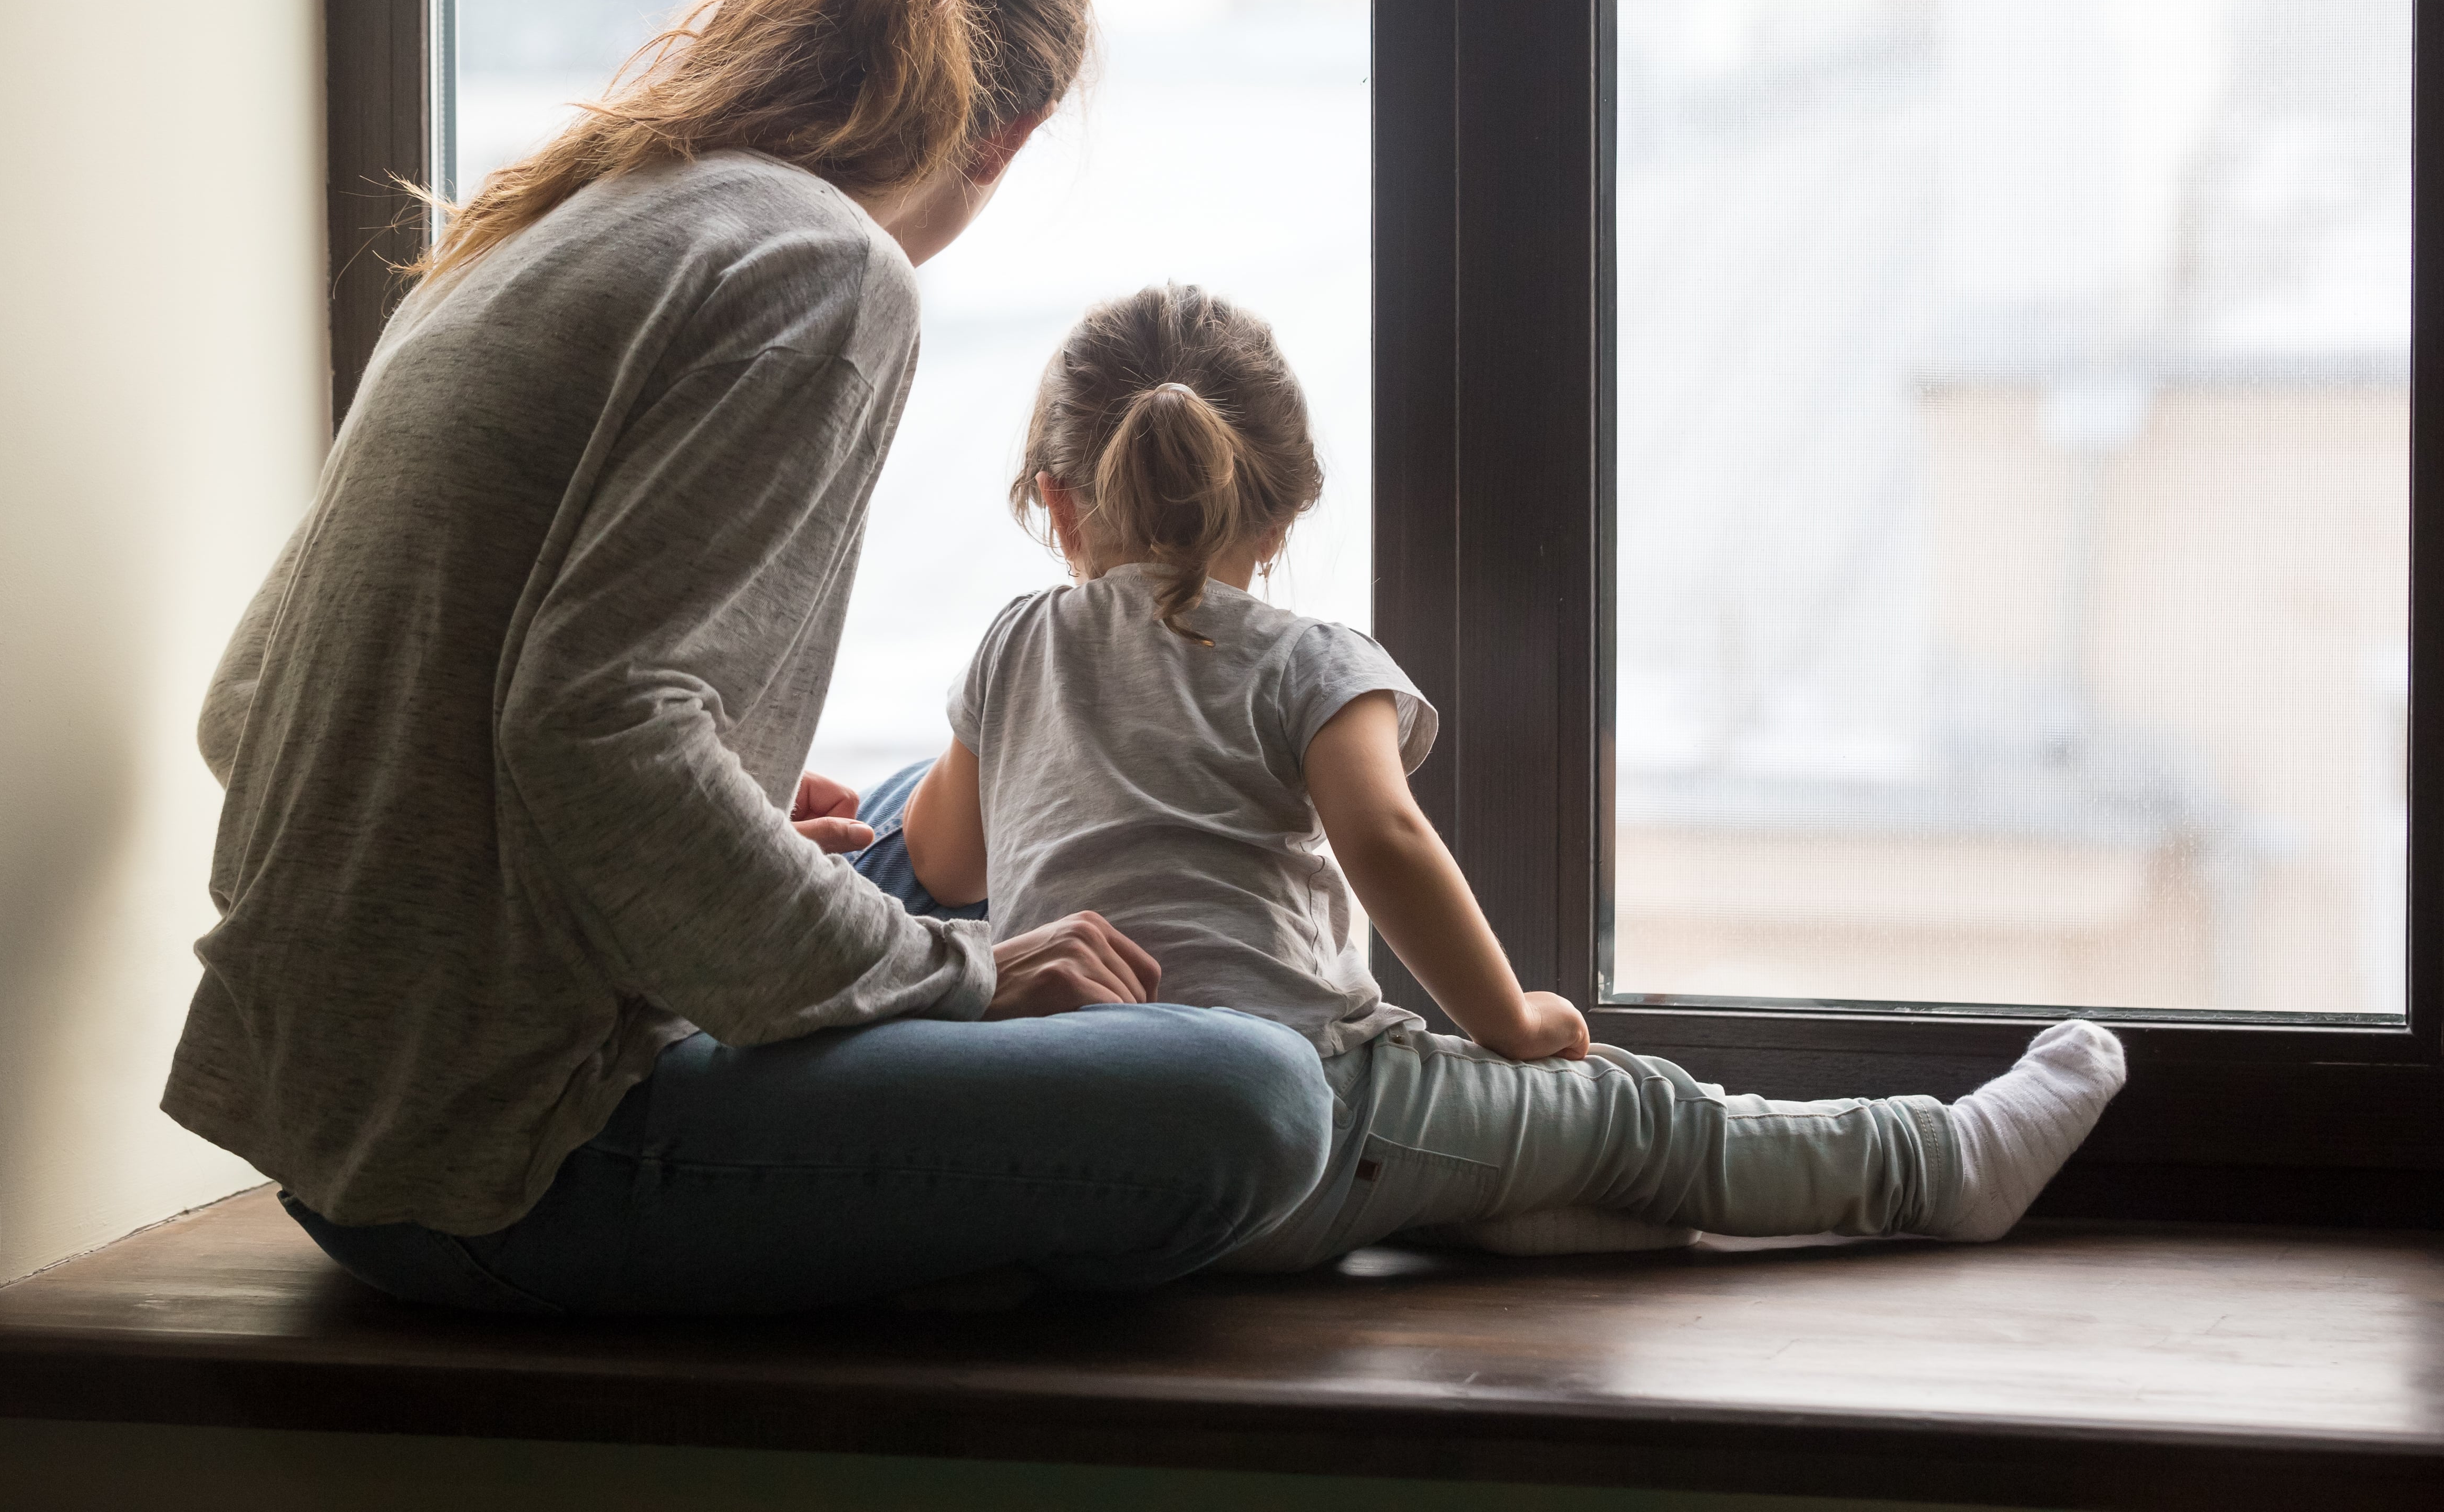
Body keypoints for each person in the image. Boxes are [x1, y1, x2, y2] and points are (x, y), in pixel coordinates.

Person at [165, 0, 1336, 1315]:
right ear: (1014, 135)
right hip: (513, 1161)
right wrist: (965, 982)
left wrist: (683, 834)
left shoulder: (533, 228)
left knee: (913, 808)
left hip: (334, 1133)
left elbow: (252, 706)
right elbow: (592, 732)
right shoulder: (825, 265)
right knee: (1257, 1098)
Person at [878, 284, 2129, 1270]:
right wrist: (1511, 1021)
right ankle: (1943, 1169)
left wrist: (861, 826)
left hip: (1096, 1159)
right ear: (1279, 517)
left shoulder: (1013, 643)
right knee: (1637, 1109)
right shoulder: (1310, 663)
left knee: (1498, 1139)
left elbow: (944, 862)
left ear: (1055, 503)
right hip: (1313, 1127)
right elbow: (1391, 843)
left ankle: (1534, 1208)